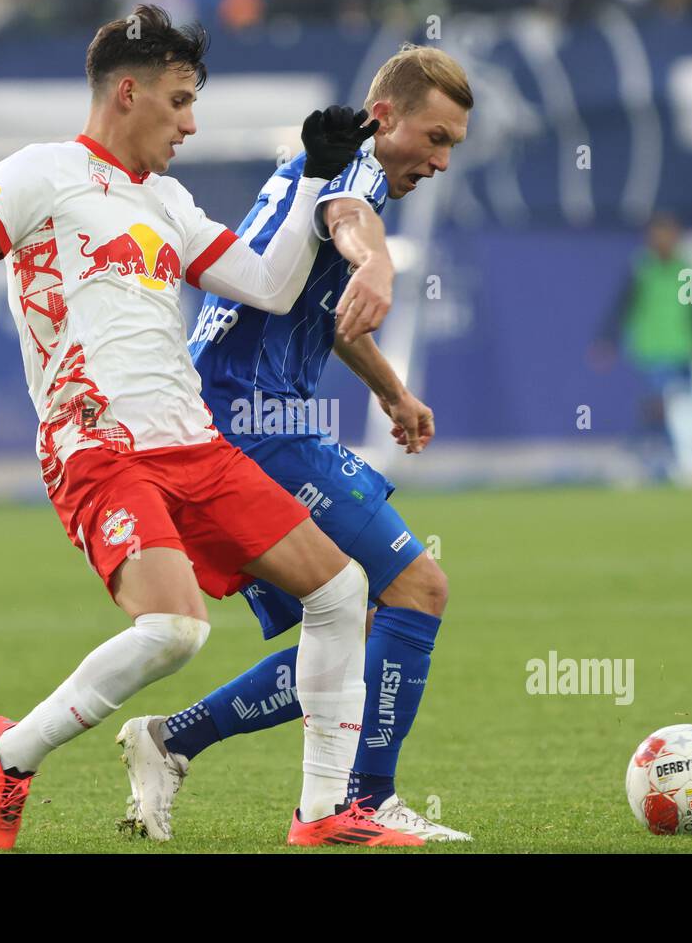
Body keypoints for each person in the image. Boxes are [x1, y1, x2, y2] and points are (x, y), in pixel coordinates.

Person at [0, 5, 418, 849]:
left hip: (193, 442)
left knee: (341, 591)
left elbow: (267, 284)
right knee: (174, 630)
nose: (191, 123)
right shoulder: (41, 173)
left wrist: (316, 171)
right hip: (97, 446)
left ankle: (322, 817)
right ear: (128, 91)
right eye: (180, 100)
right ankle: (9, 754)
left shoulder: (167, 198)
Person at [116, 44, 473, 843]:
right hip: (255, 421)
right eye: (437, 138)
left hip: (233, 419)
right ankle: (366, 802)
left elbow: (321, 306)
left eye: (455, 146)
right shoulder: (352, 174)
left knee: (343, 619)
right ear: (386, 119)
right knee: (417, 590)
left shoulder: (326, 167)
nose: (443, 160)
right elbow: (348, 221)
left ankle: (172, 740)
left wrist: (390, 389)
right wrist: (377, 260)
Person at [590, 212, 692, 479]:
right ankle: (686, 463)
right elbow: (622, 306)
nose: (663, 240)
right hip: (652, 348)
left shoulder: (686, 270)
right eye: (658, 234)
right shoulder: (641, 269)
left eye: (668, 234)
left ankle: (678, 461)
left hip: (681, 346)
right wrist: (607, 339)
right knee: (674, 402)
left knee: (674, 404)